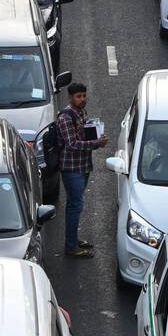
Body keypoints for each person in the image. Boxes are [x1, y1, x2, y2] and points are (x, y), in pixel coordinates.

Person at [57, 80, 107, 259]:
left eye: (84, 96)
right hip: (72, 168)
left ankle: (73, 239)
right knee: (75, 205)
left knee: (75, 204)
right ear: (70, 97)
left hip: (83, 165)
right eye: (79, 96)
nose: (82, 99)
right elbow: (71, 144)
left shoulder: (81, 112)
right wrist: (95, 143)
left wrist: (95, 135)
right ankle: (71, 246)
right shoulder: (65, 118)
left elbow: (83, 134)